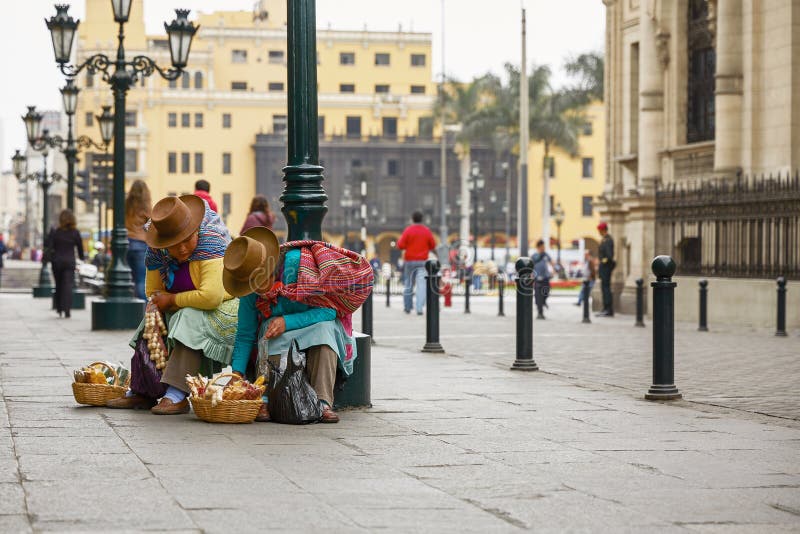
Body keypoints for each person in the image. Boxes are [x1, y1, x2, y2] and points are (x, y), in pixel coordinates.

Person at [107, 195, 238, 414]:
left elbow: (212, 296)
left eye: (187, 240)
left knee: (188, 317)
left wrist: (172, 300)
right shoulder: (157, 250)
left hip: (224, 307)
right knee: (150, 321)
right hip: (185, 304)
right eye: (174, 245)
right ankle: (143, 389)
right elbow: (153, 291)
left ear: (196, 231)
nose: (183, 249)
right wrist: (160, 304)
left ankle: (177, 393)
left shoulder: (211, 242)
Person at [226, 228, 370, 424]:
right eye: (253, 286)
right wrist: (236, 373)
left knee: (325, 329)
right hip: (279, 336)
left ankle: (323, 401)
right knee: (267, 331)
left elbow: (328, 310)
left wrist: (288, 322)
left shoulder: (298, 266)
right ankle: (266, 398)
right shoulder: (249, 290)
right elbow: (245, 335)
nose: (259, 290)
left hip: (314, 324)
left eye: (263, 281)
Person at [47, 209, 85, 318]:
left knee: (59, 285)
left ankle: (59, 308)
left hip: (57, 262)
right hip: (69, 262)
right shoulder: (75, 232)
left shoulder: (55, 231)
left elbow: (50, 246)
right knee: (68, 285)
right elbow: (80, 247)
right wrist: (82, 258)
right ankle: (67, 309)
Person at [397, 211, 435, 315]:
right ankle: (419, 308)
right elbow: (432, 245)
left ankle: (408, 307)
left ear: (412, 219)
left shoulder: (408, 230)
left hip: (409, 261)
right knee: (421, 285)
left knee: (408, 284)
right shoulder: (426, 231)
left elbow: (400, 245)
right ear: (422, 219)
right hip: (422, 261)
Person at [125, 179, 152, 300]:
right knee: (141, 281)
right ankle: (144, 313)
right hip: (141, 245)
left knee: (127, 281)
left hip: (125, 243)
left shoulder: (126, 204)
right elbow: (152, 225)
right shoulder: (146, 207)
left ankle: (131, 309)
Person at [532, 239, 555, 320]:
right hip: (537, 279)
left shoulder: (546, 255)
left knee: (546, 292)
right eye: (542, 247)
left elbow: (552, 262)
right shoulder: (534, 256)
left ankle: (544, 302)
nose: (544, 248)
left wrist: (553, 270)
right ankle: (540, 313)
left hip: (545, 278)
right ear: (539, 247)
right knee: (538, 296)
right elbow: (531, 266)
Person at [596, 222, 616, 317]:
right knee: (604, 288)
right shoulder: (605, 239)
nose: (599, 232)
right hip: (604, 267)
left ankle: (608, 309)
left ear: (603, 230)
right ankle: (606, 308)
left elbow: (609, 256)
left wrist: (603, 262)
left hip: (606, 267)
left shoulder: (607, 240)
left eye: (599, 230)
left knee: (606, 288)